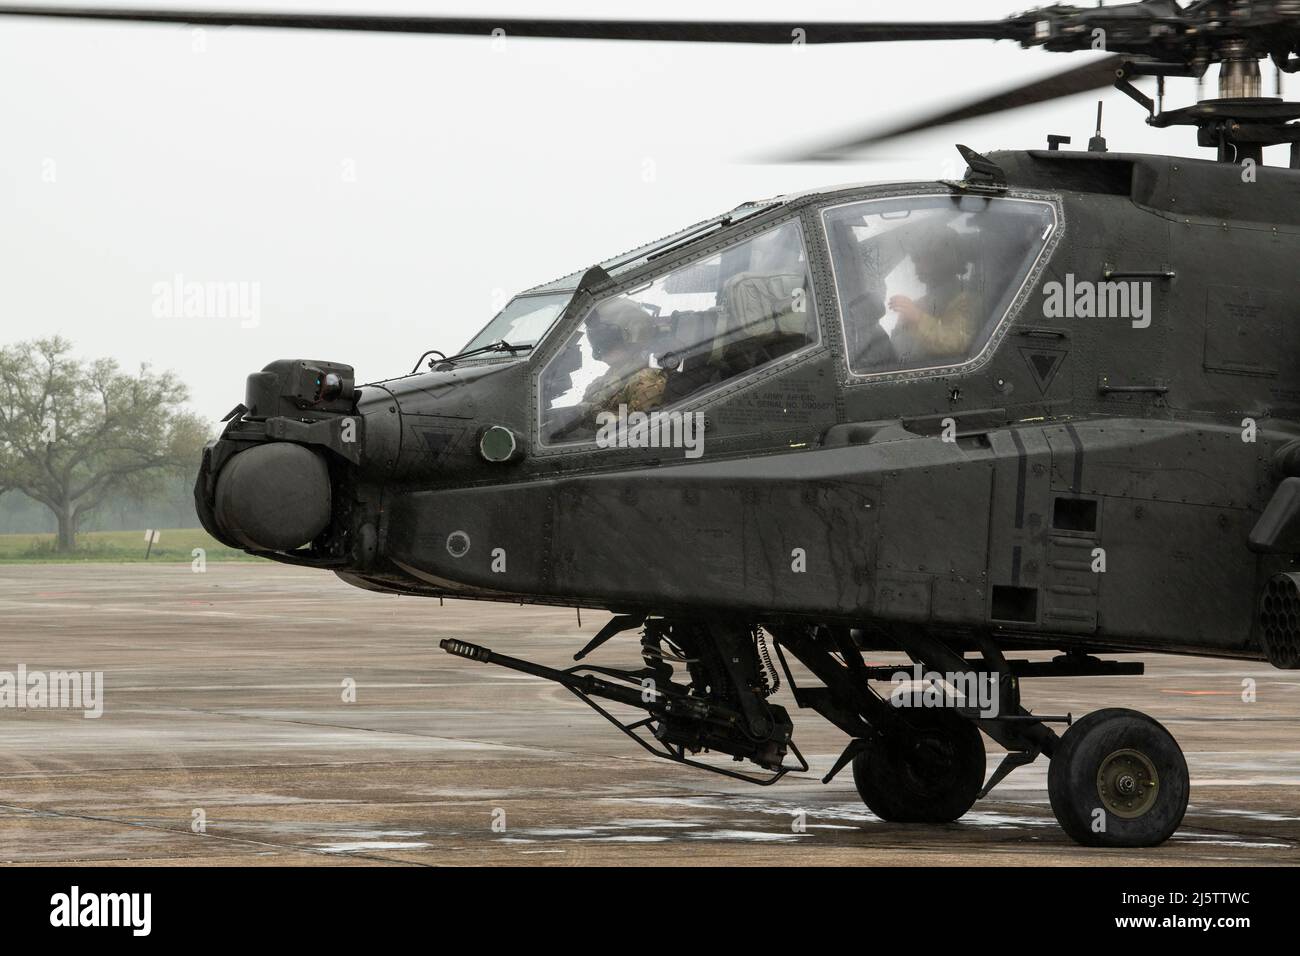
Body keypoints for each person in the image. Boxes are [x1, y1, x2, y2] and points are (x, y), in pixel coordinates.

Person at [888, 225, 977, 364]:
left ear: (944, 259)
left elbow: (958, 344)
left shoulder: (967, 298)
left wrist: (917, 317)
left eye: (923, 258)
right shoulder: (920, 304)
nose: (917, 266)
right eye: (915, 259)